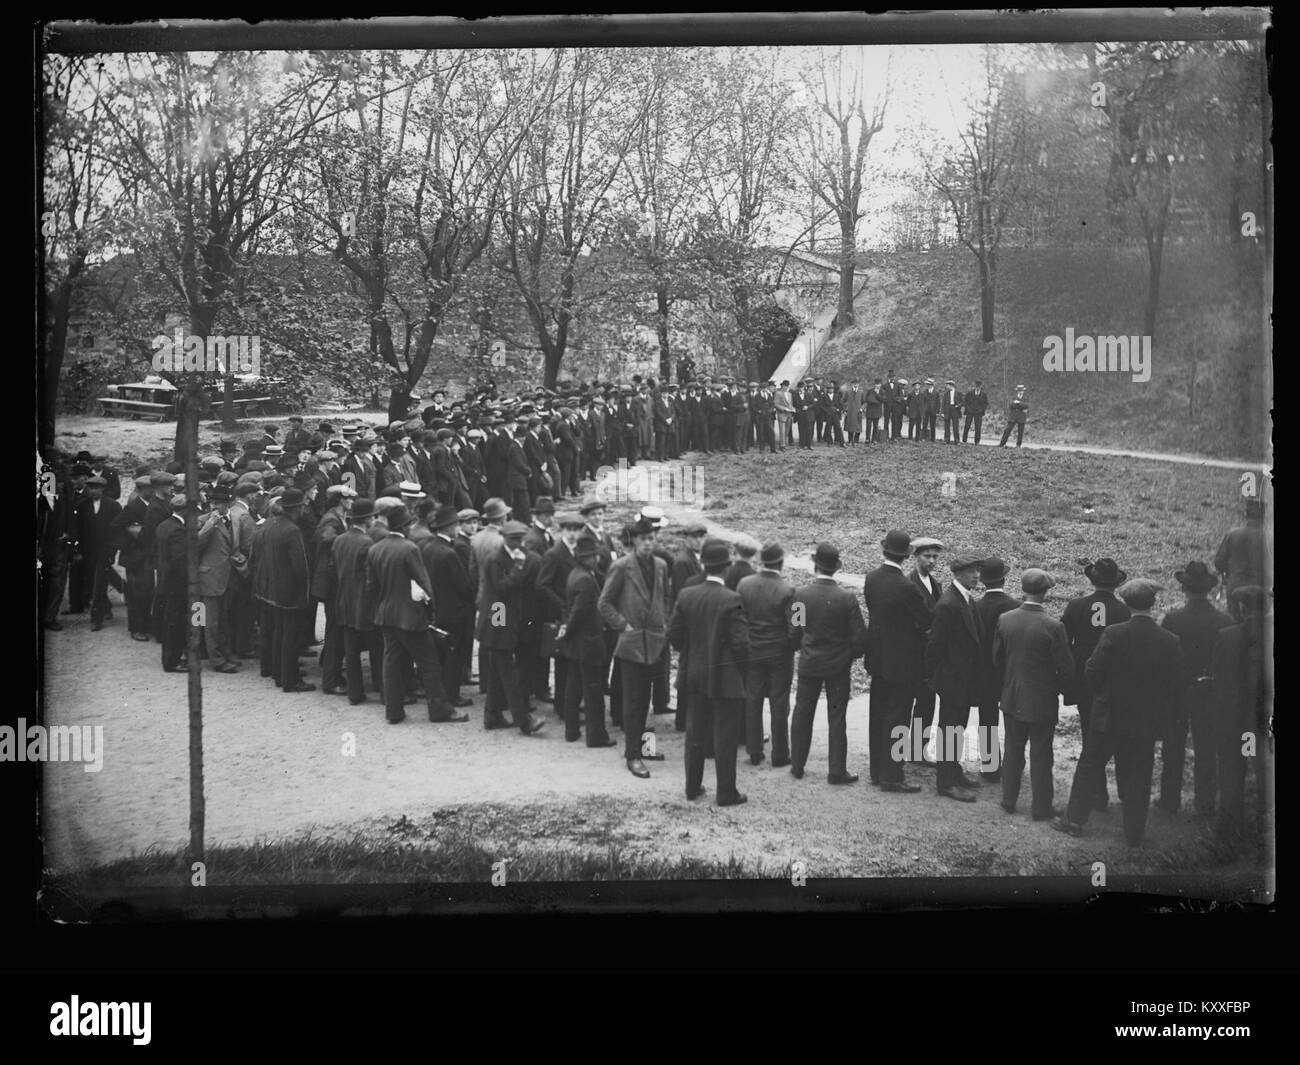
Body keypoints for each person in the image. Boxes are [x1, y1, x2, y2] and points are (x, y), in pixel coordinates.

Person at [1055, 579, 1184, 846]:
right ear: (1153, 603)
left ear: (1127, 603)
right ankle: (1134, 832)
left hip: (1108, 716)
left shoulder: (1114, 633)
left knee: (1090, 765)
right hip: (1145, 719)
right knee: (1140, 774)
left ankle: (1075, 820)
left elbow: (1092, 672)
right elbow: (1174, 684)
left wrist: (1103, 694)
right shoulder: (1170, 641)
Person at [668, 537, 750, 805]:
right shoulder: (732, 599)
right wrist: (741, 670)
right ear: (726, 568)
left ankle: (692, 787)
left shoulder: (687, 594)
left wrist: (690, 655)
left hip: (693, 673)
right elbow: (740, 644)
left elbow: (675, 634)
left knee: (694, 732)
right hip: (725, 678)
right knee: (724, 736)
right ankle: (726, 791)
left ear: (703, 565)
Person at [367, 503, 467, 725]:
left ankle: (393, 711)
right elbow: (425, 585)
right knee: (429, 664)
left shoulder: (376, 549)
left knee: (391, 662)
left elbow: (370, 587)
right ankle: (440, 710)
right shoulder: (409, 549)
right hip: (410, 617)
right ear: (404, 526)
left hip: (386, 614)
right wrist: (431, 613)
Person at [993, 569, 1074, 820]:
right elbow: (1067, 669)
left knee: (1013, 751)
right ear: (1046, 593)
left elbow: (996, 660)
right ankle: (1041, 808)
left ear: (1023, 588)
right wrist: (1058, 687)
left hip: (1013, 697)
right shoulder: (1054, 626)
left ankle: (1008, 800)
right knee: (1041, 755)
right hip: (1042, 701)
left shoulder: (1005, 619)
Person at [1158, 561, 1234, 815]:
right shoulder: (1224, 620)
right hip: (1210, 691)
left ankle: (1169, 800)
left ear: (1184, 589)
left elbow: (1165, 659)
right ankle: (1205, 804)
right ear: (1209, 590)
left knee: (1173, 746)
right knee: (1206, 749)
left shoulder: (1172, 619)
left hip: (1178, 691)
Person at [788, 542, 868, 784]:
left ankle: (797, 765)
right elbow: (859, 639)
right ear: (837, 568)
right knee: (837, 717)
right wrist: (846, 656)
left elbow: (794, 632)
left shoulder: (800, 595)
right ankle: (836, 771)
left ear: (814, 565)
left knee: (802, 713)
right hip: (837, 667)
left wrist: (803, 648)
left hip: (810, 663)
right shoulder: (847, 598)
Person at [598, 518, 671, 779]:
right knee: (633, 702)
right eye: (643, 539)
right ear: (634, 541)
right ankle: (633, 756)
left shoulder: (661, 565)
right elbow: (604, 603)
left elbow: (665, 597)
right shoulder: (621, 567)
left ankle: (646, 748)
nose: (648, 544)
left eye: (651, 539)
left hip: (655, 642)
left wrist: (664, 622)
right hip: (631, 646)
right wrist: (623, 626)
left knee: (649, 700)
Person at [862, 530, 929, 793]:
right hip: (902, 663)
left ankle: (877, 772)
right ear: (906, 556)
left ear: (884, 550)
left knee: (877, 715)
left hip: (877, 659)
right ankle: (892, 775)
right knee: (898, 718)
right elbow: (926, 620)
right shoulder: (906, 587)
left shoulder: (871, 578)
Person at [1061, 557, 1130, 809]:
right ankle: (1117, 794)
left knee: (1089, 735)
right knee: (1113, 736)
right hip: (1112, 683)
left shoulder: (1076, 606)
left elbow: (1064, 642)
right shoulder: (1123, 611)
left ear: (1092, 580)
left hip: (1084, 681)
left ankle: (1097, 793)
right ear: (1115, 584)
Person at [1213, 586, 1273, 849]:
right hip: (1264, 719)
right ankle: (1266, 826)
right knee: (1266, 771)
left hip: (1234, 718)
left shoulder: (1227, 636)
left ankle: (1229, 831)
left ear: (1242, 608)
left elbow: (1220, 678)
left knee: (1231, 773)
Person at [923, 554, 986, 801]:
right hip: (952, 679)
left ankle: (953, 771)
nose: (977, 576)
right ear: (957, 574)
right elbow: (935, 645)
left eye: (978, 571)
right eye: (972, 572)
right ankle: (946, 782)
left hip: (962, 678)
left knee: (956, 727)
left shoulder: (964, 599)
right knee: (950, 728)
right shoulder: (948, 604)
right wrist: (931, 675)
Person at [478, 521, 545, 735]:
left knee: (497, 672)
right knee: (507, 672)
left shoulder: (523, 555)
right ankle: (524, 721)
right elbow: (502, 590)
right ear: (504, 538)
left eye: (520, 539)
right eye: (513, 539)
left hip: (508, 619)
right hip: (498, 619)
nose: (518, 543)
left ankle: (492, 716)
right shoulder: (495, 560)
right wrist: (517, 568)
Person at [737, 542, 796, 768]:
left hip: (752, 652)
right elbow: (798, 626)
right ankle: (780, 754)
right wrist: (791, 646)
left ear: (761, 561)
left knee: (752, 701)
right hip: (780, 655)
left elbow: (738, 618)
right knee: (779, 704)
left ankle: (754, 750)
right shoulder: (789, 590)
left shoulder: (744, 585)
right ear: (780, 563)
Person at [556, 534, 616, 747]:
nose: (597, 559)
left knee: (573, 688)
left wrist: (567, 633)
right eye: (593, 556)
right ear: (586, 558)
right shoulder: (586, 579)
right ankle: (596, 735)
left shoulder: (575, 574)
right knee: (593, 692)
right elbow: (579, 612)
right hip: (588, 642)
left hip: (576, 644)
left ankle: (571, 730)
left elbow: (571, 609)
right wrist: (569, 630)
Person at [974, 557, 1021, 781]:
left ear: (983, 582)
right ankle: (1013, 767)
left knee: (987, 719)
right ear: (1004, 578)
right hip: (1009, 673)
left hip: (984, 673)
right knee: (1013, 722)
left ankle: (990, 766)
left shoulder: (976, 607)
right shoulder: (1015, 607)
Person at [333, 498, 381, 705]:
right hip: (364, 603)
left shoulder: (340, 540)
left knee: (351, 650)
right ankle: (383, 689)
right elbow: (371, 578)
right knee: (377, 648)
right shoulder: (367, 543)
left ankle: (355, 693)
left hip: (344, 600)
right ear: (368, 519)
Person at [196, 485, 239, 672]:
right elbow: (195, 545)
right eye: (213, 502)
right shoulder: (203, 520)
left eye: (219, 503)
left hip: (229, 576)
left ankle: (226, 652)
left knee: (224, 620)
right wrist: (210, 524)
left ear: (228, 504)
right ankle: (217, 659)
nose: (215, 506)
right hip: (210, 577)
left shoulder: (235, 519)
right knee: (210, 622)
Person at [74, 475, 123, 632]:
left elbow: (117, 532)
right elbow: (78, 531)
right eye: (91, 488)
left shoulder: (113, 506)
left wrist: (112, 552)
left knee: (98, 584)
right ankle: (106, 607)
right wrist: (78, 552)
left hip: (104, 552)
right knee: (92, 583)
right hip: (88, 552)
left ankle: (96, 619)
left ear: (103, 489)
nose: (93, 491)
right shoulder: (82, 506)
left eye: (97, 488)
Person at [112, 475, 156, 640]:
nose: (153, 492)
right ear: (141, 490)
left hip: (148, 557)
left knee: (148, 592)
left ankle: (145, 624)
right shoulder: (132, 507)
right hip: (135, 558)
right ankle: (136, 628)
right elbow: (115, 527)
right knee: (136, 594)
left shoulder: (153, 505)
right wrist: (129, 542)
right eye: (150, 489)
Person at [1213, 498, 1273, 612]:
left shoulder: (1232, 534)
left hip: (1235, 585)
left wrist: (1230, 571)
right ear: (1264, 516)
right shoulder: (1270, 538)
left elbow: (1219, 561)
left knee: (1234, 623)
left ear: (1246, 514)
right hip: (1262, 588)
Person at [154, 493, 190, 673]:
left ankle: (171, 658)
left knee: (170, 621)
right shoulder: (178, 530)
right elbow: (179, 561)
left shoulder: (164, 525)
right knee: (175, 623)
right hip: (177, 584)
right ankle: (172, 661)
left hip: (166, 581)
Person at [940, 379, 962, 444]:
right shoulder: (946, 394)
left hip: (955, 410)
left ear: (951, 385)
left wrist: (958, 405)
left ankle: (957, 441)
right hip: (947, 410)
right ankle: (947, 440)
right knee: (946, 426)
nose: (946, 386)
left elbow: (963, 401)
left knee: (955, 426)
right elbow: (943, 403)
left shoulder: (958, 393)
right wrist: (942, 412)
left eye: (947, 385)